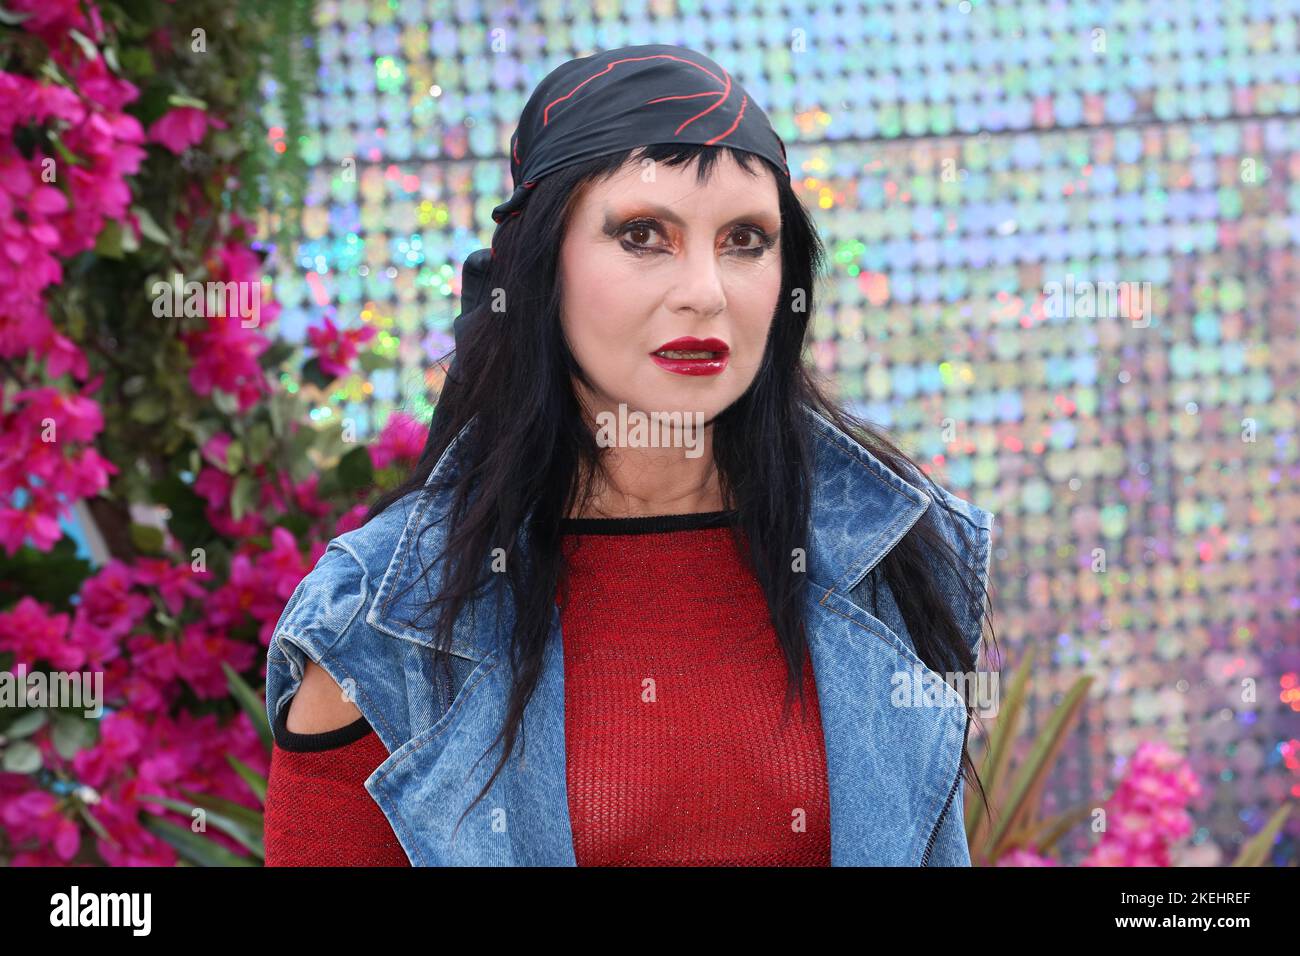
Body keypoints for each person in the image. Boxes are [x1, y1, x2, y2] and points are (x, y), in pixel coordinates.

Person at [263, 43, 997, 867]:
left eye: (745, 239)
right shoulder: (388, 620)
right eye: (644, 234)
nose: (705, 291)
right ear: (543, 269)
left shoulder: (893, 558)